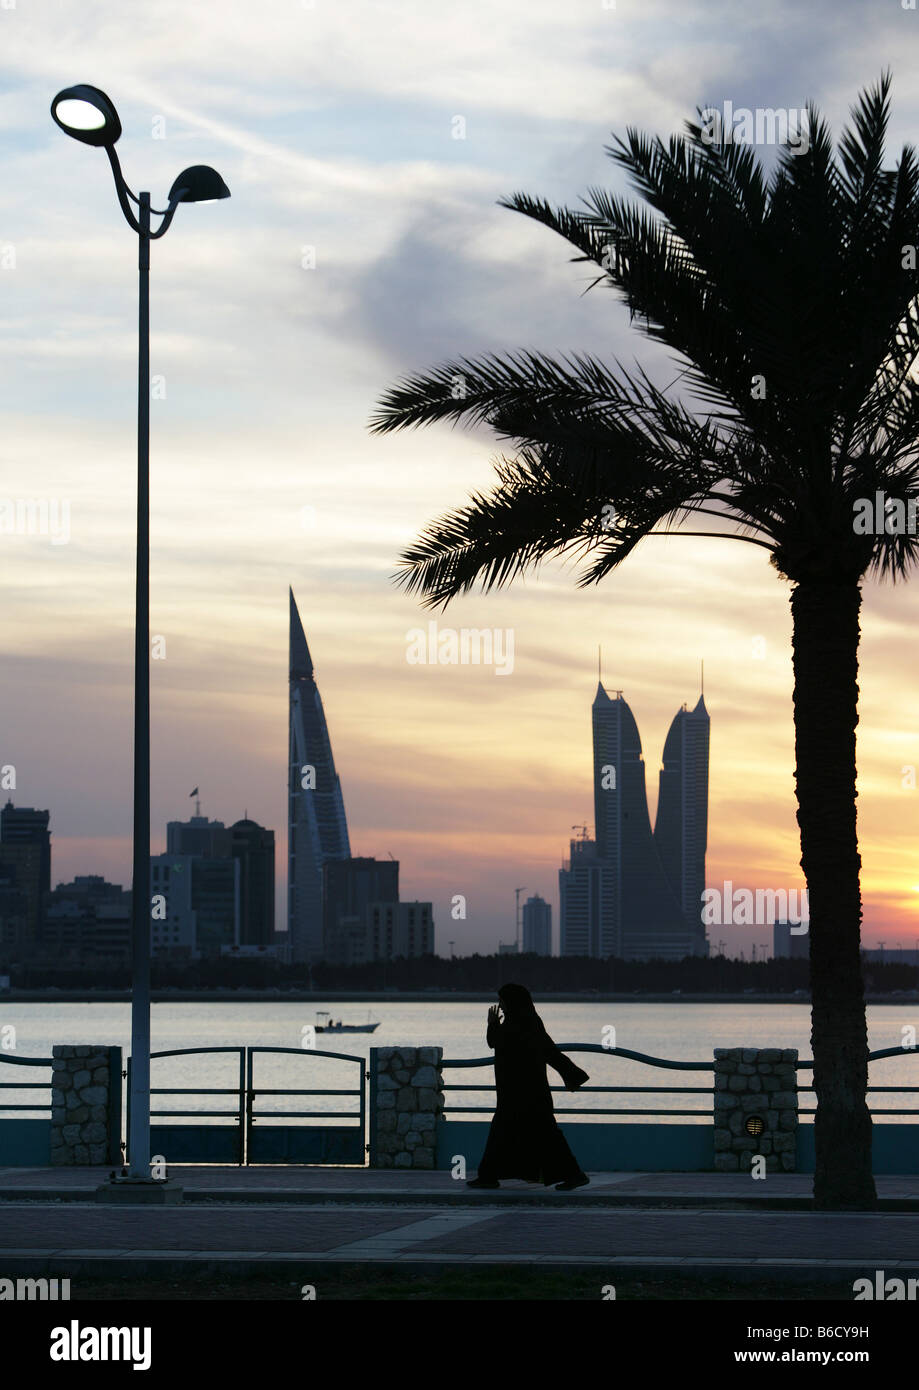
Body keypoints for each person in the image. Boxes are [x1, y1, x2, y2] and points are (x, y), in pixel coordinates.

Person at [467, 982, 591, 1191]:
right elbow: (501, 1043)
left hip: (526, 1094)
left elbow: (543, 1050)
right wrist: (493, 1025)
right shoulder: (522, 1021)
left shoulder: (522, 1023)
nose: (501, 1005)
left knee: (543, 1135)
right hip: (518, 1093)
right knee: (511, 1133)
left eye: (503, 1001)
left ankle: (575, 1174)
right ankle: (488, 1175)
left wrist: (572, 1075)